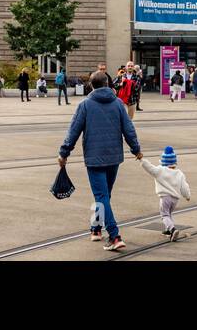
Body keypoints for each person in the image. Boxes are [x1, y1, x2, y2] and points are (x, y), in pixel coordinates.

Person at [58, 70, 143, 252]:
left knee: (102, 196)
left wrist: (64, 153)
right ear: (107, 84)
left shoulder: (85, 105)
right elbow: (129, 129)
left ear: (91, 85)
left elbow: (73, 131)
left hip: (94, 158)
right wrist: (136, 149)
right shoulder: (119, 104)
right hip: (114, 158)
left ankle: (114, 236)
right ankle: (96, 229)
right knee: (104, 195)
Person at [140, 146, 191, 241]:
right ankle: (168, 230)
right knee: (169, 214)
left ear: (163, 161)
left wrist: (142, 160)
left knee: (164, 215)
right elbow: (184, 187)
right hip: (175, 200)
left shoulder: (160, 170)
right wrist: (187, 196)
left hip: (165, 198)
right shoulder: (179, 173)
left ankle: (172, 229)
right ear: (174, 162)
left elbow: (150, 168)